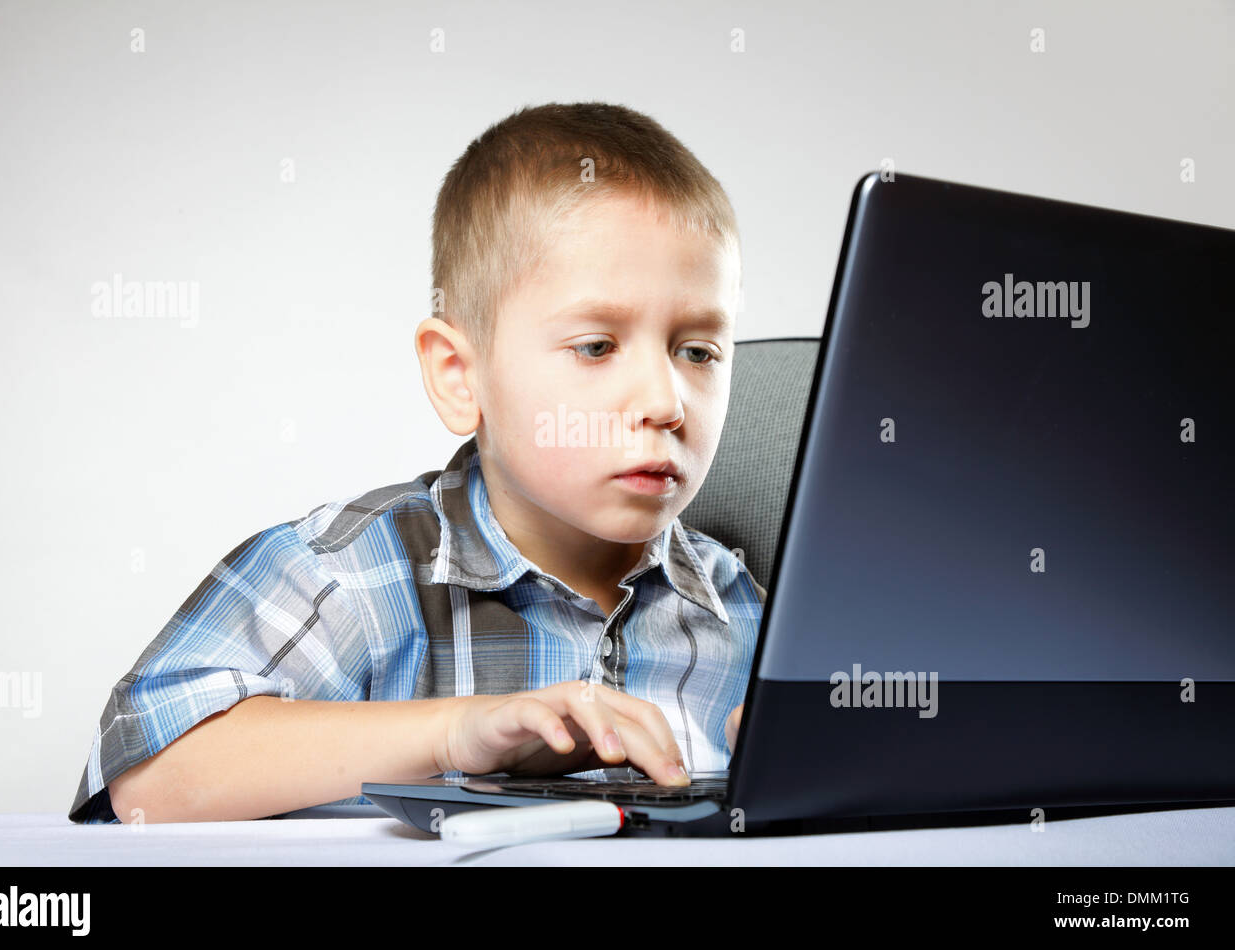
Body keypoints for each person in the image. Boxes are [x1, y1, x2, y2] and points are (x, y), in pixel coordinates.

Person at [69, 101, 766, 824]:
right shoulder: (350, 574)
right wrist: (456, 733)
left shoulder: (743, 607)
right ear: (460, 377)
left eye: (698, 352)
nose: (665, 400)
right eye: (596, 346)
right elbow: (150, 776)